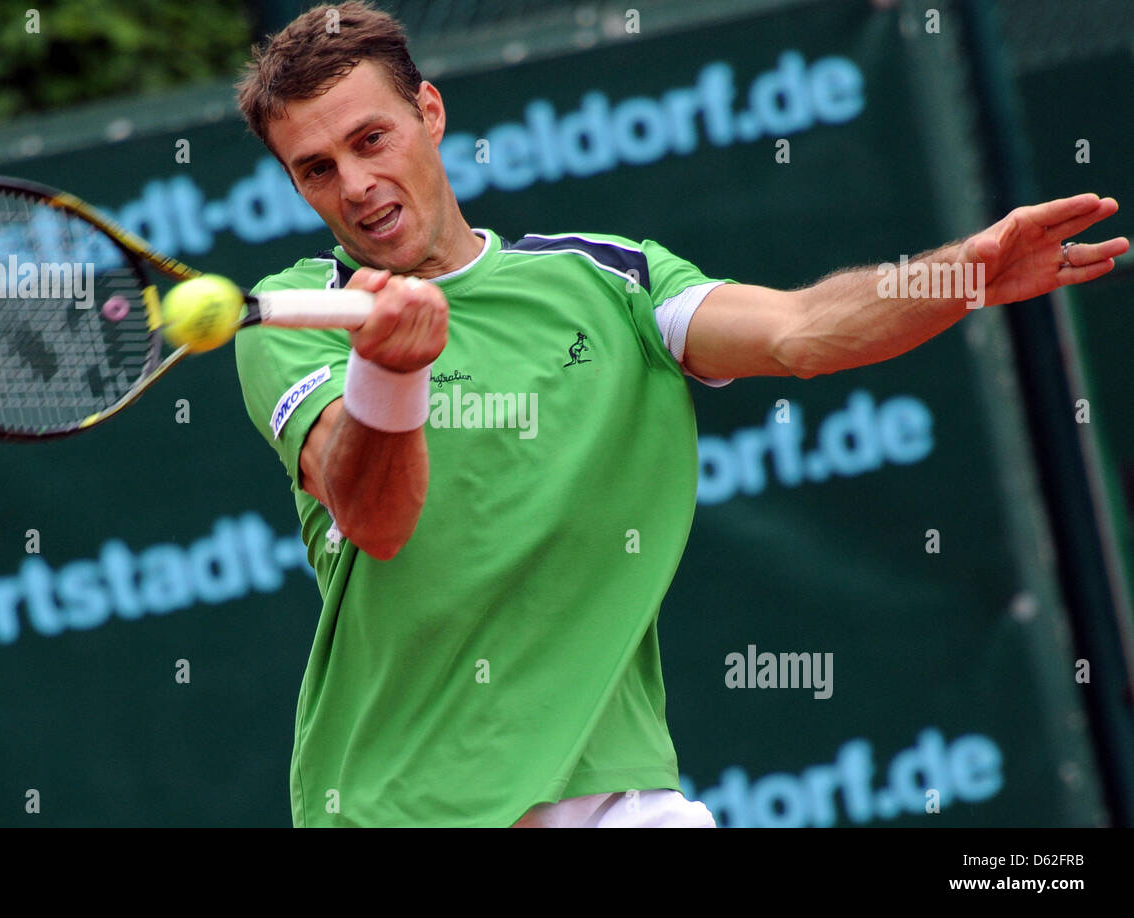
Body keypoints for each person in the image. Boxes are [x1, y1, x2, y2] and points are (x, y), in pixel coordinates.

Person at [232, 1, 1127, 828]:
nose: (355, 183)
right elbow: (377, 520)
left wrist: (959, 273)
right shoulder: (299, 314)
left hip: (612, 796)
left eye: (371, 139)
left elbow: (802, 330)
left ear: (429, 112)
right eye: (317, 168)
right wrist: (390, 373)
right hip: (394, 807)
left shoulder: (608, 280)